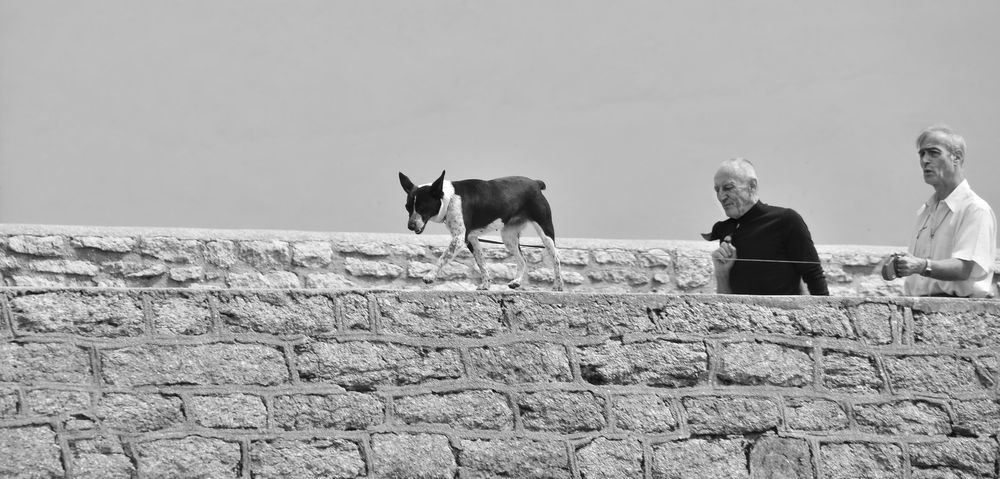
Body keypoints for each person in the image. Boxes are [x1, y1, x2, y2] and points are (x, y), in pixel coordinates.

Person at [887, 125, 996, 297]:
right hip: (919, 308)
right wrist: (906, 262)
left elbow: (963, 268)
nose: (925, 160)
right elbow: (921, 267)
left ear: (956, 157)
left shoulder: (974, 209)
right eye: (922, 154)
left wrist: (921, 266)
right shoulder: (925, 211)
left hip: (958, 312)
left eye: (933, 152)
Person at [703, 158, 829, 295]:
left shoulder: (786, 220)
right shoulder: (726, 230)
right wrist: (722, 273)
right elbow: (726, 304)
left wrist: (828, 314)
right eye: (717, 190)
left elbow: (814, 277)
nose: (721, 196)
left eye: (728, 187)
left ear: (751, 186)